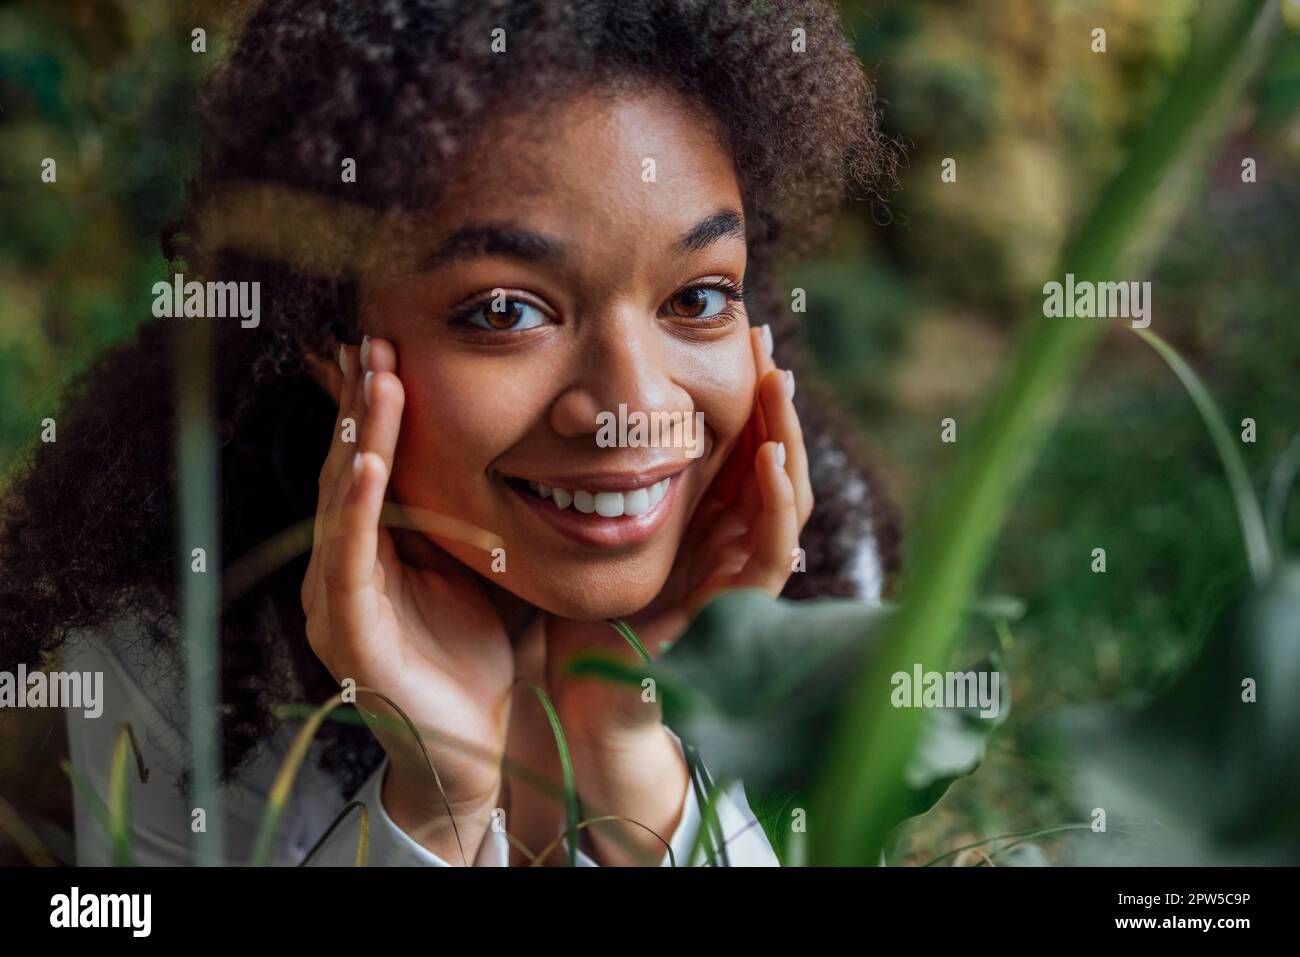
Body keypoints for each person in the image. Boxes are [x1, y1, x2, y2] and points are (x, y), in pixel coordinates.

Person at [0, 0, 901, 866]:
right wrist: (436, 807)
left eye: (698, 298)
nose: (635, 408)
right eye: (506, 311)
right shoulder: (171, 640)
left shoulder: (819, 559)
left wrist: (638, 757)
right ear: (330, 336)